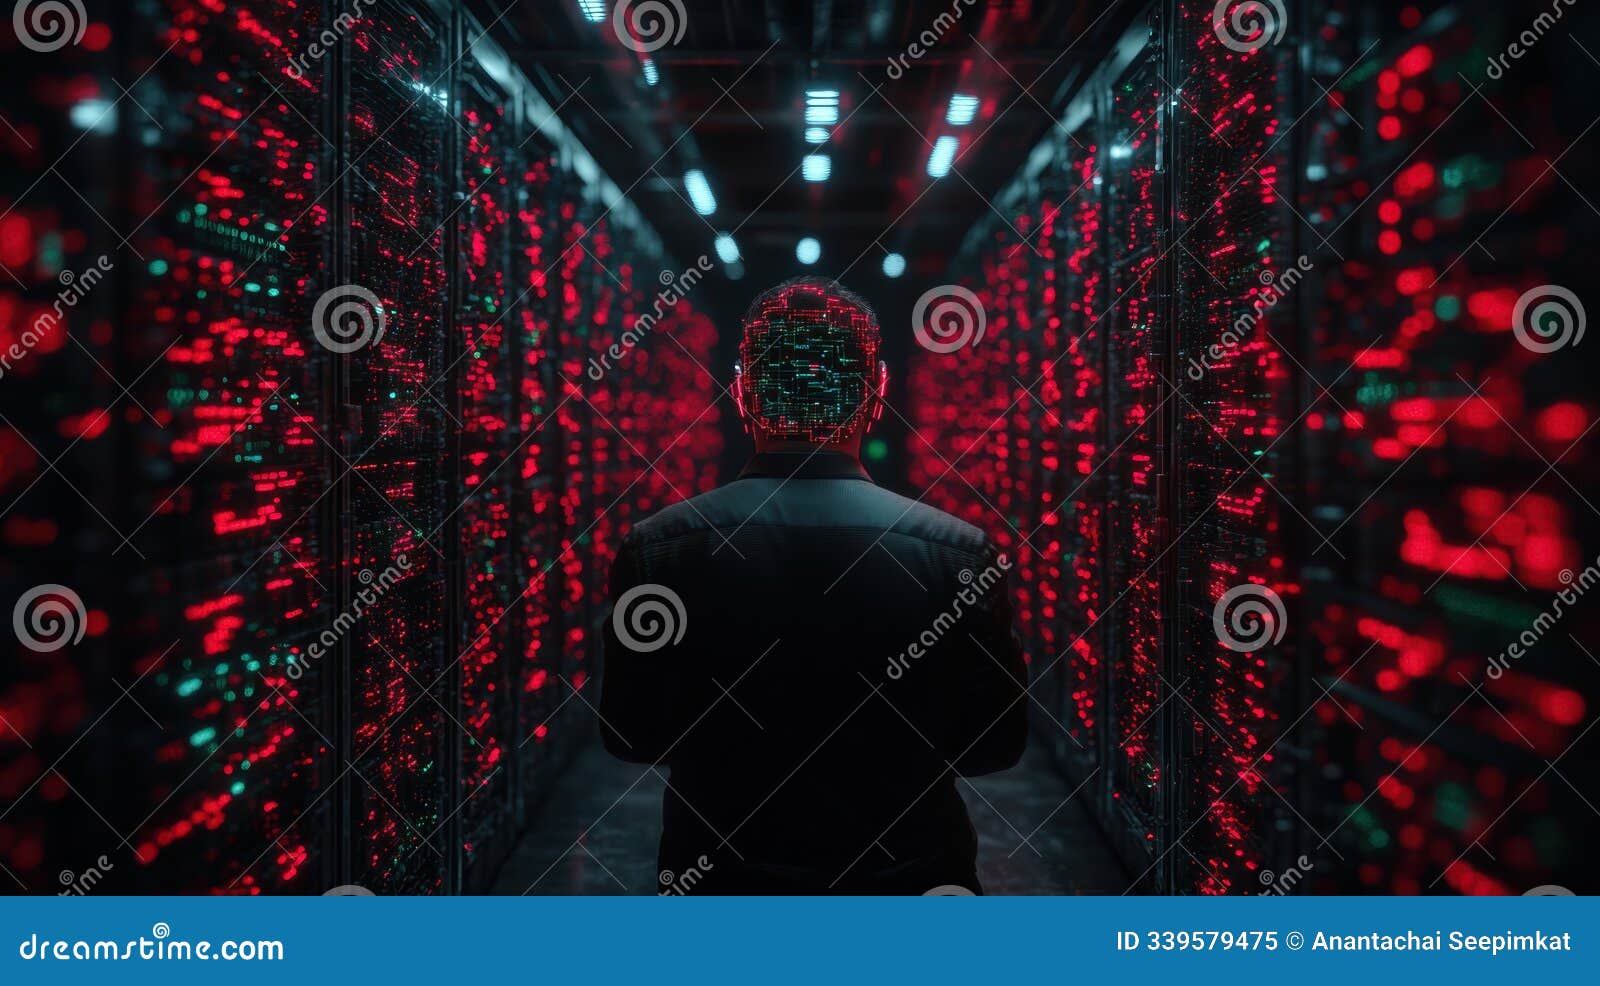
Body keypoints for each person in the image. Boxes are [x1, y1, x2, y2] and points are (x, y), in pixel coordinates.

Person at [599, 276, 1027, 895]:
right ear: (878, 391)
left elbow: (631, 735)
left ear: (742, 391)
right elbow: (996, 746)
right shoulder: (958, 555)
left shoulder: (661, 549)